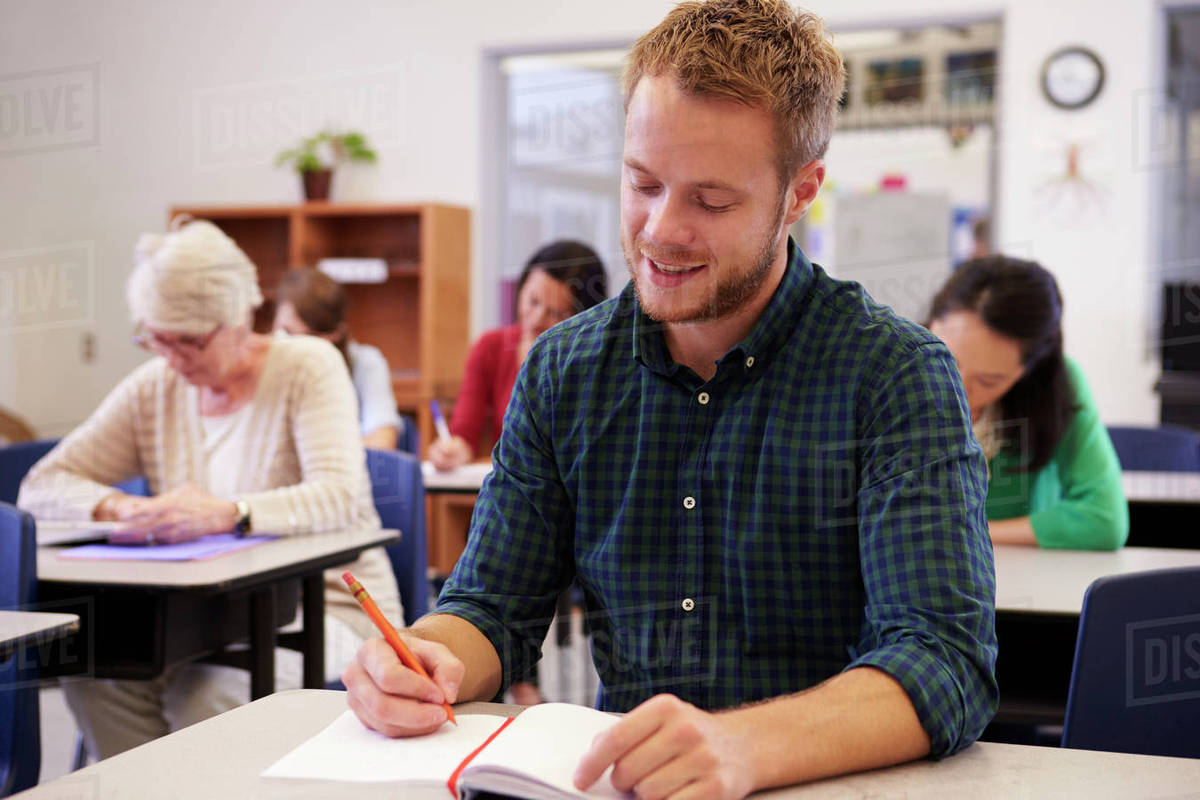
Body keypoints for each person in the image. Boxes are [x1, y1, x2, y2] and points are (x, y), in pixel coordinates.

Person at [343, 1, 997, 797]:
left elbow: (942, 659)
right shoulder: (563, 370)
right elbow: (491, 607)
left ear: (800, 193)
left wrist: (743, 746)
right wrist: (427, 657)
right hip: (626, 783)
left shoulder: (894, 375)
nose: (660, 230)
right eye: (641, 183)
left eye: (711, 201)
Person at [18, 219, 401, 759]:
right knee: (99, 677)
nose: (173, 357)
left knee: (209, 697)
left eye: (189, 341)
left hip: (323, 609)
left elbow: (340, 495)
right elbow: (42, 484)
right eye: (155, 339)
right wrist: (120, 506)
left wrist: (232, 513)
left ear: (239, 319)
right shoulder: (158, 383)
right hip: (192, 619)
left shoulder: (306, 367)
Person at [926, 256, 1128, 550]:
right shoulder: (888, 374)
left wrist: (966, 533)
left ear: (1029, 371)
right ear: (932, 324)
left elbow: (1104, 520)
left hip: (1020, 583)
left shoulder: (1057, 387)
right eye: (948, 363)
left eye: (989, 381)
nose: (959, 389)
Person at [427, 240, 608, 471]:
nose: (535, 320)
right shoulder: (491, 347)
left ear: (583, 317)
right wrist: (451, 450)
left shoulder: (594, 361)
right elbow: (464, 432)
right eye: (532, 301)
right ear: (520, 288)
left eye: (554, 312)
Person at [273, 268, 405, 451]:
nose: (294, 346)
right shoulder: (266, 365)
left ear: (335, 334)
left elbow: (382, 442)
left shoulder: (365, 364)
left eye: (308, 337)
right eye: (286, 332)